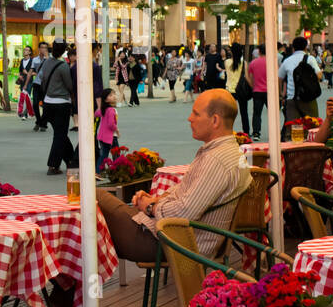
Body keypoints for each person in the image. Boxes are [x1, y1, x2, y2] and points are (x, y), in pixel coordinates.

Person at [95, 89, 250, 265]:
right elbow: (186, 193)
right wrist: (156, 199)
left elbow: (184, 212)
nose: (189, 118)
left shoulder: (216, 160)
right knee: (89, 227)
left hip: (170, 241)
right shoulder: (230, 151)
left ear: (215, 120)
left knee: (92, 198)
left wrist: (149, 207)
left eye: (196, 114)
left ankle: (79, 282)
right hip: (171, 234)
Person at [36, 38, 76, 175]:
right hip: (61, 103)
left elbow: (41, 80)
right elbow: (69, 85)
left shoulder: (46, 63)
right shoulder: (63, 66)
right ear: (65, 50)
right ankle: (53, 165)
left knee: (60, 133)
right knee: (60, 135)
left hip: (48, 103)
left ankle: (72, 161)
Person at [278, 35, 320, 122]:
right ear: (305, 47)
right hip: (309, 98)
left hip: (292, 99)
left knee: (294, 127)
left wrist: (282, 95)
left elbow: (279, 78)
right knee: (312, 124)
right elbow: (319, 75)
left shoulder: (287, 60)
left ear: (293, 47)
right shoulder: (310, 59)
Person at [225, 42, 251, 136]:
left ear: (232, 52)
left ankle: (227, 131)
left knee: (229, 113)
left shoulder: (227, 62)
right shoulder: (244, 63)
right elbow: (247, 77)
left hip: (229, 91)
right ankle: (246, 132)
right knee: (244, 113)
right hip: (241, 90)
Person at [248, 42, 268, 138]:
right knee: (273, 113)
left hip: (257, 91)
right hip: (269, 91)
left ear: (259, 52)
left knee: (257, 113)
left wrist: (253, 86)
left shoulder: (253, 63)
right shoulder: (272, 62)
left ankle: (256, 132)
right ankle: (275, 131)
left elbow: (250, 77)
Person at [96, 87, 119, 166]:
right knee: (116, 155)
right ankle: (117, 170)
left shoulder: (104, 109)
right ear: (106, 100)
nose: (114, 96)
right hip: (111, 137)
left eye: (114, 94)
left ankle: (99, 170)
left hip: (102, 137)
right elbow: (111, 124)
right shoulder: (111, 110)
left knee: (104, 155)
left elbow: (96, 114)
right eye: (110, 95)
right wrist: (117, 130)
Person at [31, 42, 50, 129]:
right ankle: (38, 121)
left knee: (46, 104)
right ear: (39, 49)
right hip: (37, 83)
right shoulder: (35, 60)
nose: (43, 49)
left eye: (45, 48)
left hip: (46, 85)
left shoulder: (50, 59)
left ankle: (43, 122)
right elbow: (31, 71)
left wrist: (47, 58)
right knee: (35, 103)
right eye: (42, 47)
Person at [17, 45, 36, 120]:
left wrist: (28, 73)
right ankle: (26, 112)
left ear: (30, 52)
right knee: (23, 97)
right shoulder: (22, 60)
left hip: (29, 81)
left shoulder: (32, 61)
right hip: (22, 81)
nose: (25, 51)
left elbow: (36, 72)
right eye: (24, 50)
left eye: (27, 50)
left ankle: (24, 114)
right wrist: (19, 76)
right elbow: (20, 70)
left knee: (26, 96)